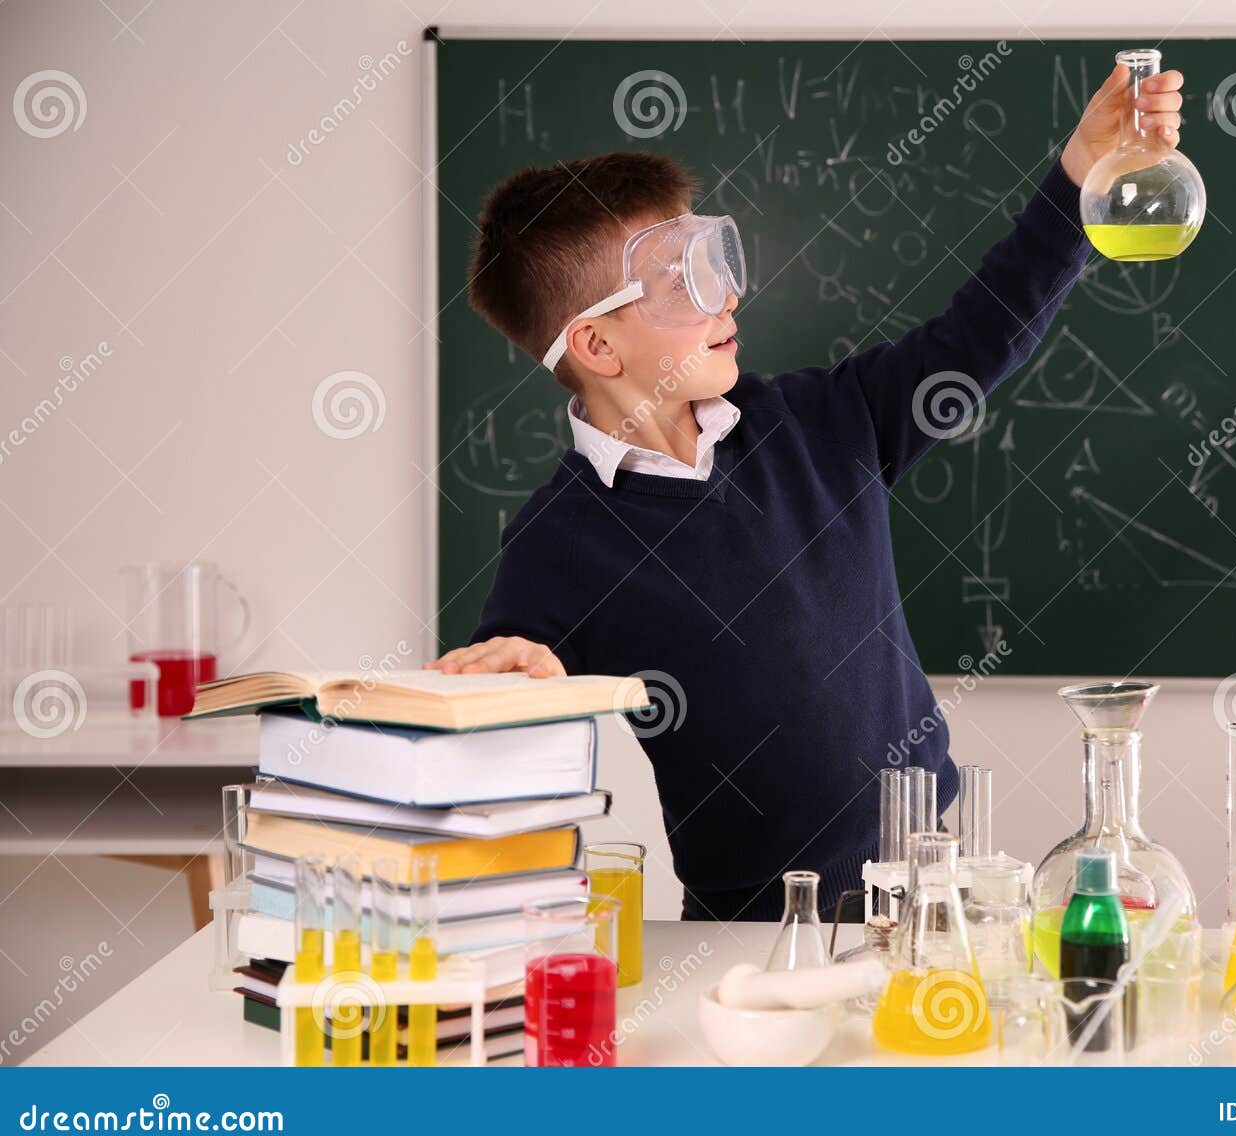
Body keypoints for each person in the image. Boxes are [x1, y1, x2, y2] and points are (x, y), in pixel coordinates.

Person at [427, 63, 1186, 921]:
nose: (728, 292)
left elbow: (984, 331)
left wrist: (1081, 169)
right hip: (745, 928)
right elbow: (504, 689)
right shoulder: (558, 539)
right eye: (681, 282)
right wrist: (510, 681)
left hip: (934, 891)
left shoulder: (822, 421)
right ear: (598, 347)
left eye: (711, 259)